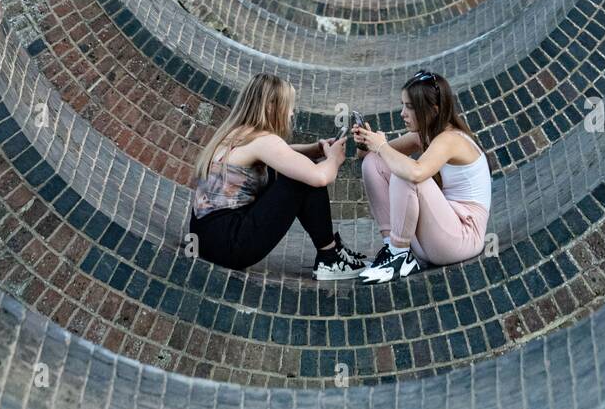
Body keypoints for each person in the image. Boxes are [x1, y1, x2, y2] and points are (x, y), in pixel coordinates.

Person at [189, 73, 366, 279]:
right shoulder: (264, 141)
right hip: (231, 245)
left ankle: (332, 252)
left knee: (292, 169)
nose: (292, 113)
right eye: (289, 105)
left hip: (206, 238)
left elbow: (284, 154)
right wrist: (334, 159)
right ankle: (330, 257)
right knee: (302, 177)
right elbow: (320, 178)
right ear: (272, 107)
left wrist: (316, 149)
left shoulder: (238, 133)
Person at [353, 70, 491, 283]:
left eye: (410, 107)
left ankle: (400, 254)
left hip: (462, 239)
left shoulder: (451, 139)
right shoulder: (425, 135)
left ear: (433, 110)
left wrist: (380, 145)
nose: (402, 114)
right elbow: (370, 156)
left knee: (407, 172)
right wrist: (367, 142)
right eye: (403, 105)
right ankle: (394, 248)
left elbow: (415, 172)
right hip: (437, 235)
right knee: (375, 162)